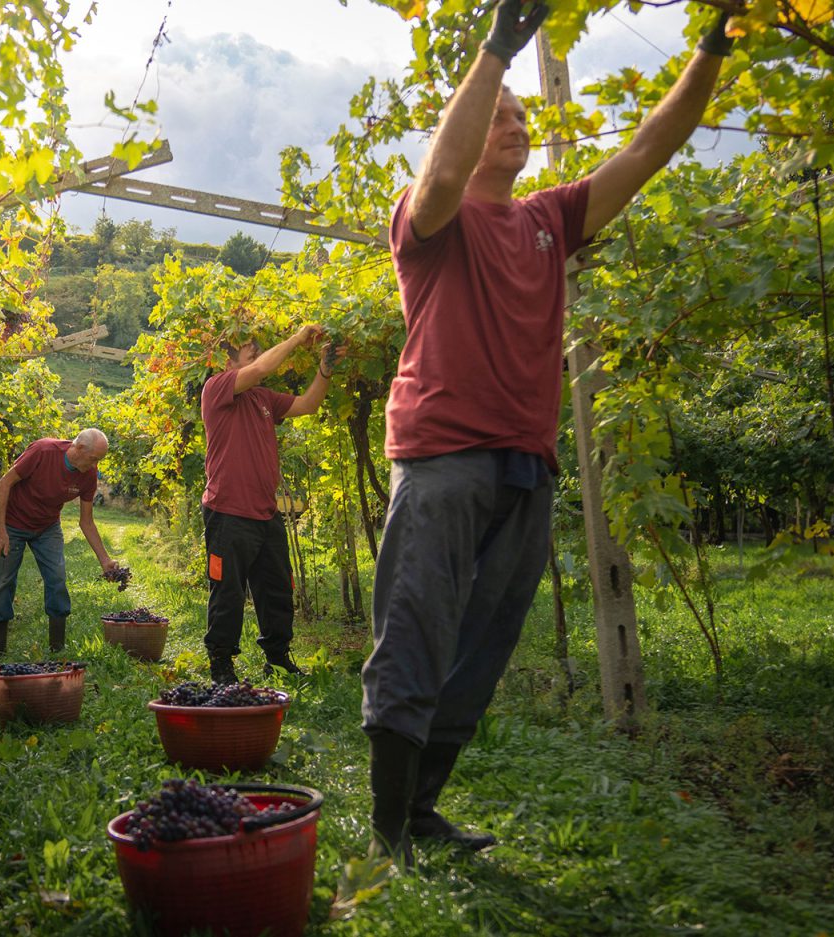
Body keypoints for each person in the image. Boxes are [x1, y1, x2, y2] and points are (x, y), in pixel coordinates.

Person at [364, 0, 736, 861]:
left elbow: (649, 147)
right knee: (417, 628)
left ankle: (420, 810)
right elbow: (442, 175)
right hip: (442, 458)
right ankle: (387, 831)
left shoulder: (548, 220)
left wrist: (717, 41)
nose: (514, 124)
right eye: (495, 114)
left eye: (521, 115)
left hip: (526, 470)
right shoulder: (430, 221)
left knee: (481, 651)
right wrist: (497, 50)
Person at [201, 323, 340, 683]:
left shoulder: (263, 400)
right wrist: (296, 339)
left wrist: (324, 370)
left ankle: (277, 658)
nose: (259, 358)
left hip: (266, 513)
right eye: (251, 353)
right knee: (228, 591)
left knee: (277, 588)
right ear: (229, 362)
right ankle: (221, 662)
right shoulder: (216, 389)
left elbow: (309, 405)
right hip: (227, 512)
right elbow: (263, 369)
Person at [0, 429, 120, 659]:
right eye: (94, 458)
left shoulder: (88, 474)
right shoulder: (43, 451)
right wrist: (2, 531)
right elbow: (4, 484)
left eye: (100, 459)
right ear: (78, 449)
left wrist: (105, 560)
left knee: (57, 579)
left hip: (46, 527)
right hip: (13, 523)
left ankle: (57, 651)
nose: (97, 464)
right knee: (2, 585)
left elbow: (86, 521)